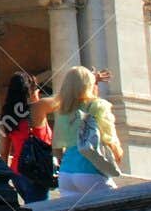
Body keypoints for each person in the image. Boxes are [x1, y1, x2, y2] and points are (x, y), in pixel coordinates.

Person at [51, 65, 121, 198]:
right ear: (89, 84)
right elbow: (108, 136)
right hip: (90, 170)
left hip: (66, 174)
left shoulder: (63, 111)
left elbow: (57, 146)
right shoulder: (98, 105)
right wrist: (116, 154)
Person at [0, 72, 55, 202]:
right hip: (36, 171)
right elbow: (65, 99)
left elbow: (4, 153)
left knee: (32, 208)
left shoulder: (7, 116)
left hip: (17, 172)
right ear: (29, 90)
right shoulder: (39, 108)